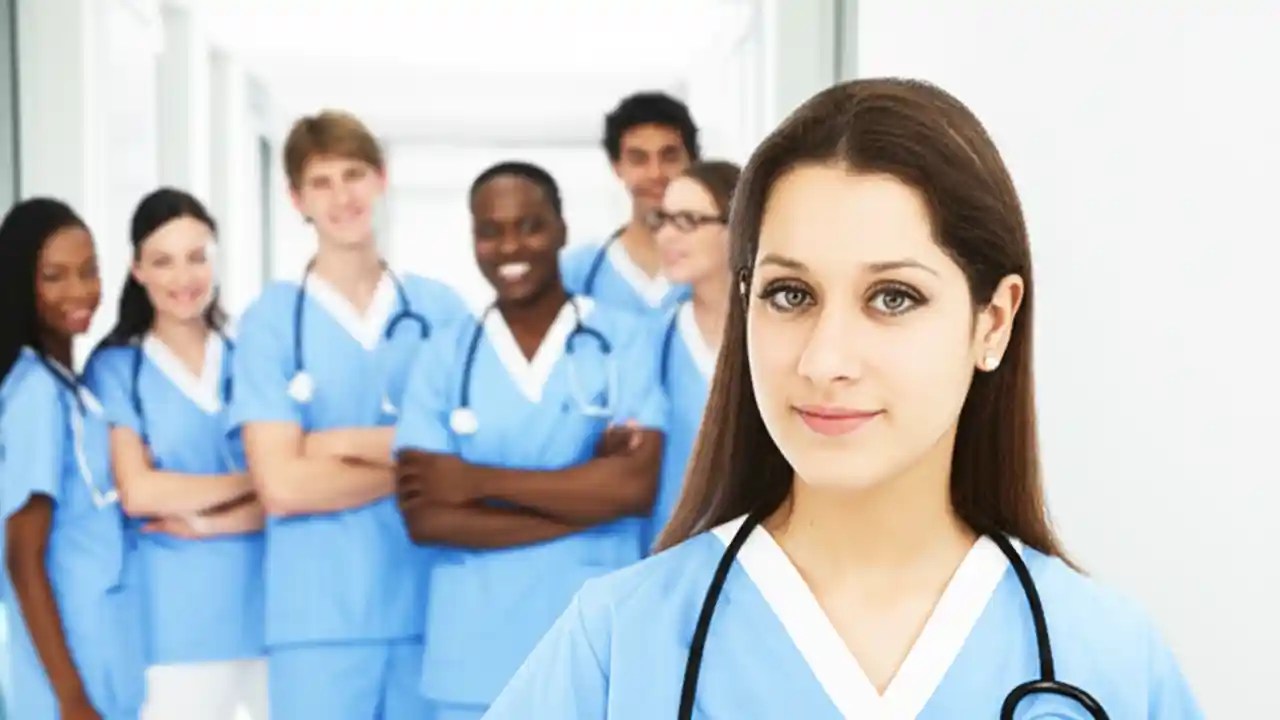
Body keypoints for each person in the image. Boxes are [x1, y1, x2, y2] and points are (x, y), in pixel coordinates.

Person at [484, 79, 1205, 718]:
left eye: (893, 297)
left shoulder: (1108, 660)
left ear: (993, 321)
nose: (825, 360)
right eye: (789, 294)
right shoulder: (619, 643)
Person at [393, 162, 666, 719]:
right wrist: (585, 502)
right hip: (474, 654)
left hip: (592, 643)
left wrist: (474, 481)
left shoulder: (622, 341)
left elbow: (634, 488)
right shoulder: (445, 354)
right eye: (490, 230)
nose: (509, 245)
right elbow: (426, 518)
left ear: (562, 229)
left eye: (530, 225)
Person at [227, 110, 469, 719]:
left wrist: (326, 444)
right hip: (317, 624)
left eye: (354, 174)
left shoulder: (439, 310)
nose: (342, 197)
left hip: (426, 607)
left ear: (381, 178)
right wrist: (412, 464)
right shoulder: (272, 321)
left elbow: (471, 456)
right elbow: (281, 486)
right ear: (296, 199)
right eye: (322, 182)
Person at [82, 188, 267, 719]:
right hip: (173, 631)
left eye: (196, 257)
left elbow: (292, 492)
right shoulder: (118, 369)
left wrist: (207, 520)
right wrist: (255, 482)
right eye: (163, 261)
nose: (183, 279)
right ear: (137, 269)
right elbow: (140, 493)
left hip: (267, 618)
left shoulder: (249, 355)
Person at [0, 198, 146, 719]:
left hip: (105, 653)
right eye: (54, 276)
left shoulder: (73, 390)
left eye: (89, 271)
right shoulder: (34, 394)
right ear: (22, 284)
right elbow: (22, 556)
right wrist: (71, 697)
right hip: (65, 681)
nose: (80, 291)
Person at [646, 160, 740, 548]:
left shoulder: (780, 337)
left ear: (738, 227)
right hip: (670, 553)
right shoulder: (653, 339)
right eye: (663, 219)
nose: (666, 236)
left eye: (686, 220)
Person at [560, 92, 699, 315]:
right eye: (638, 159)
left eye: (669, 156)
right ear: (617, 167)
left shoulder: (719, 265)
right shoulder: (578, 272)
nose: (655, 173)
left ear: (692, 161)